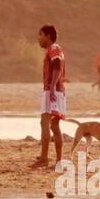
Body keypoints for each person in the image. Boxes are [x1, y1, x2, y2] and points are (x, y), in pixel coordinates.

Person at [32, 24, 66, 168]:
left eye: (40, 35)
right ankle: (58, 161)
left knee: (44, 122)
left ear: (48, 36)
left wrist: (51, 86)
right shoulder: (56, 49)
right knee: (54, 125)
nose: (38, 38)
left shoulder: (53, 49)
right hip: (59, 90)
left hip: (53, 90)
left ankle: (44, 158)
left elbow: (57, 67)